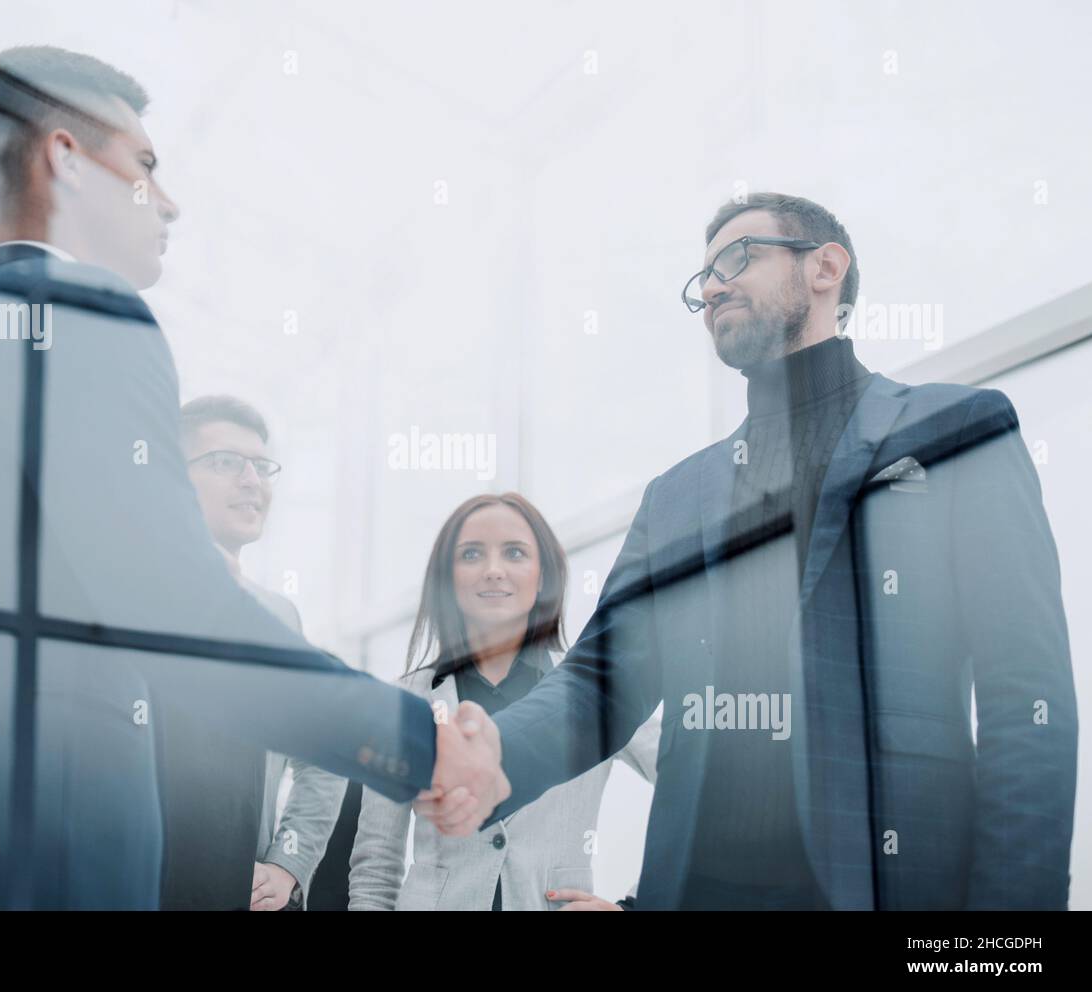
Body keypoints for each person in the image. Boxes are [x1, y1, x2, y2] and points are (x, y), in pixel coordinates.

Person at [0, 45, 505, 911]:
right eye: (143, 166)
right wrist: (418, 743)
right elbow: (174, 605)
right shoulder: (81, 311)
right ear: (65, 159)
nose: (167, 201)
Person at [421, 193, 1078, 910]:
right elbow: (598, 685)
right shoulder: (677, 495)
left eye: (737, 258)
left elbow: (1027, 700)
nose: (712, 288)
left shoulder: (957, 428)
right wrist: (490, 751)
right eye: (701, 279)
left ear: (826, 267)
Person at [351, 493, 658, 910]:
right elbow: (376, 869)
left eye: (514, 553)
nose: (493, 571)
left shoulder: (596, 690)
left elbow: (694, 788)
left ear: (543, 576)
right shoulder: (403, 701)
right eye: (472, 554)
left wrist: (635, 907)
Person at [180, 394, 348, 911]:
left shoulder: (277, 617)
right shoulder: (117, 600)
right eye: (226, 462)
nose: (252, 480)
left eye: (262, 466)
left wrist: (287, 863)